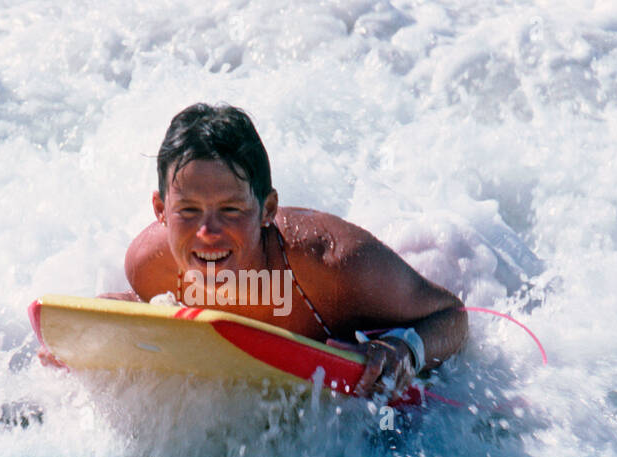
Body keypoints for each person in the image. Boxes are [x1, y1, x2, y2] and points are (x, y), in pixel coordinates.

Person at [108, 103, 469, 397]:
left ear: (267, 210)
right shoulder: (148, 267)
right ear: (160, 211)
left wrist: (404, 350)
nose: (207, 233)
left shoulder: (331, 265)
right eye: (188, 211)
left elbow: (452, 316)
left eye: (231, 210)